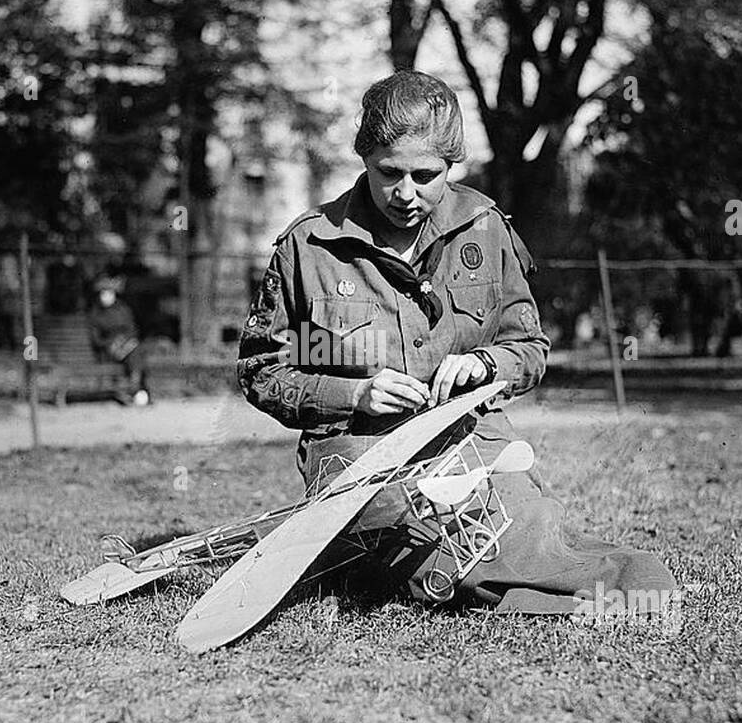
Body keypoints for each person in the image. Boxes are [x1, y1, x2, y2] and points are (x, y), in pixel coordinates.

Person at [236, 70, 676, 613]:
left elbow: (530, 348)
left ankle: (613, 585)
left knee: (528, 531)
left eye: (426, 175)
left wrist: (485, 365)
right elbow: (262, 372)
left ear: (451, 164)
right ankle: (464, 577)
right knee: (439, 553)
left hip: (472, 443)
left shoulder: (485, 228)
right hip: (361, 456)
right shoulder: (309, 246)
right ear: (363, 160)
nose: (405, 193)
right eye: (387, 173)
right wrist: (355, 395)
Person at [89, 273, 150, 405]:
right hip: (109, 349)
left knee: (135, 350)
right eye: (103, 293)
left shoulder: (123, 309)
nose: (106, 296)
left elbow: (132, 330)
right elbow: (96, 340)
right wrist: (111, 343)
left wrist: (125, 340)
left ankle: (134, 387)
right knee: (136, 351)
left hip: (128, 345)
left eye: (109, 293)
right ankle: (136, 388)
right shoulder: (96, 314)